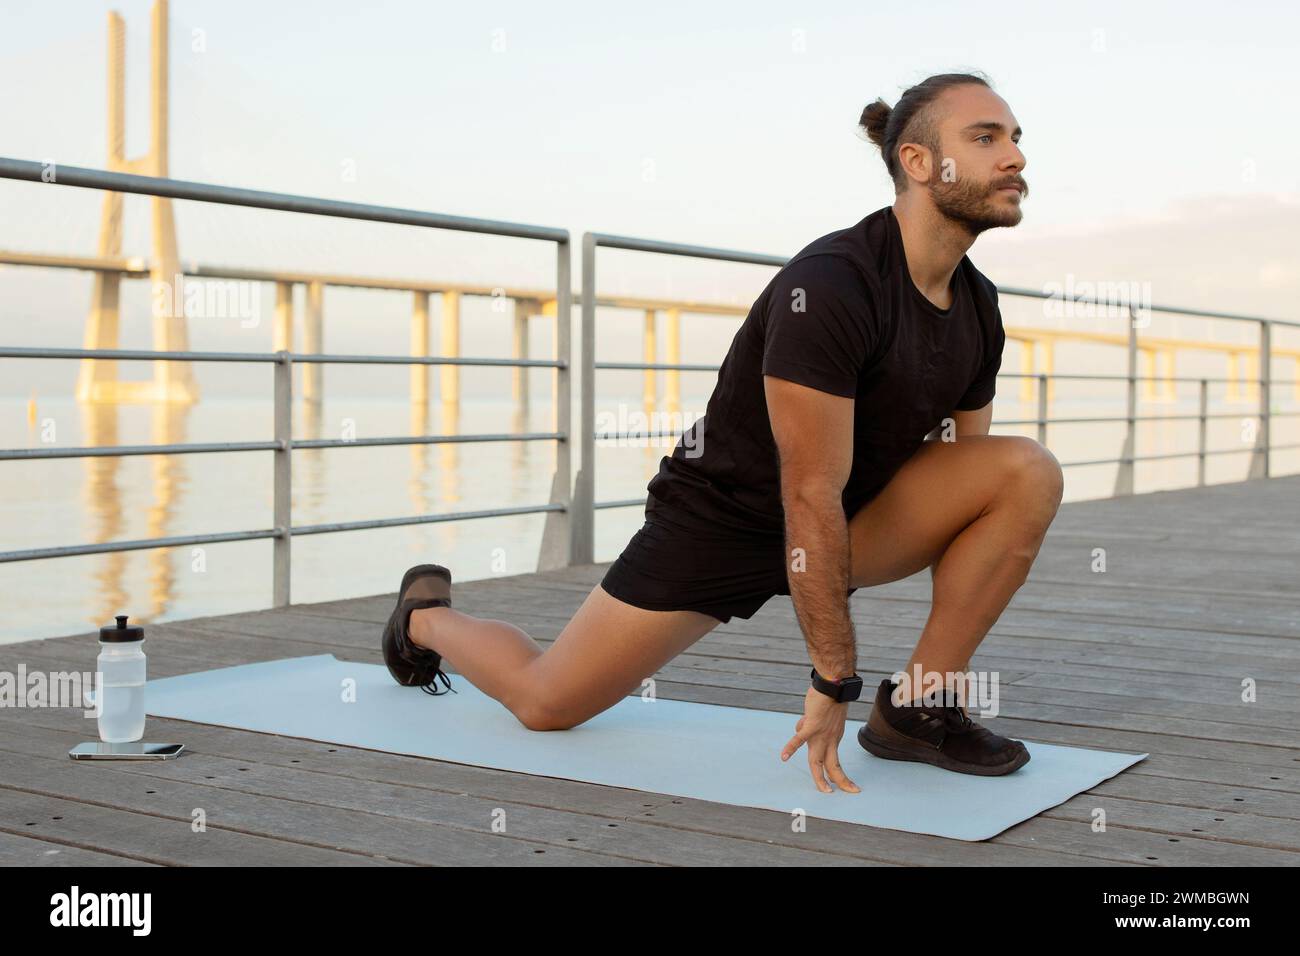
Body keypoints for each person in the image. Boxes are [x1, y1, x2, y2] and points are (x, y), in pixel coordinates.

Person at [382, 71, 1062, 792]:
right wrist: (833, 679)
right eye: (985, 138)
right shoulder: (831, 285)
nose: (1014, 156)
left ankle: (918, 705)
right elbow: (805, 489)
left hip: (844, 517)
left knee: (1024, 471)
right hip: (722, 522)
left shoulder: (978, 308)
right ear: (918, 163)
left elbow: (961, 465)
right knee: (548, 702)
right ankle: (424, 618)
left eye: (1016, 138)